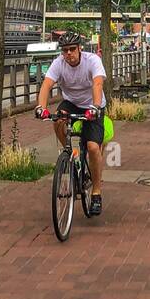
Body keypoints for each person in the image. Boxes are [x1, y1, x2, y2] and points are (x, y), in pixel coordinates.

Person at [34, 31, 111, 215]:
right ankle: (70, 154)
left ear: (79, 49)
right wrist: (40, 107)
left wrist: (95, 107)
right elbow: (46, 85)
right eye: (65, 50)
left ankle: (96, 193)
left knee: (93, 148)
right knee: (58, 117)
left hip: (93, 104)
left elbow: (98, 84)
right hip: (72, 103)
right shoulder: (59, 63)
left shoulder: (92, 61)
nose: (69, 53)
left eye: (72, 49)